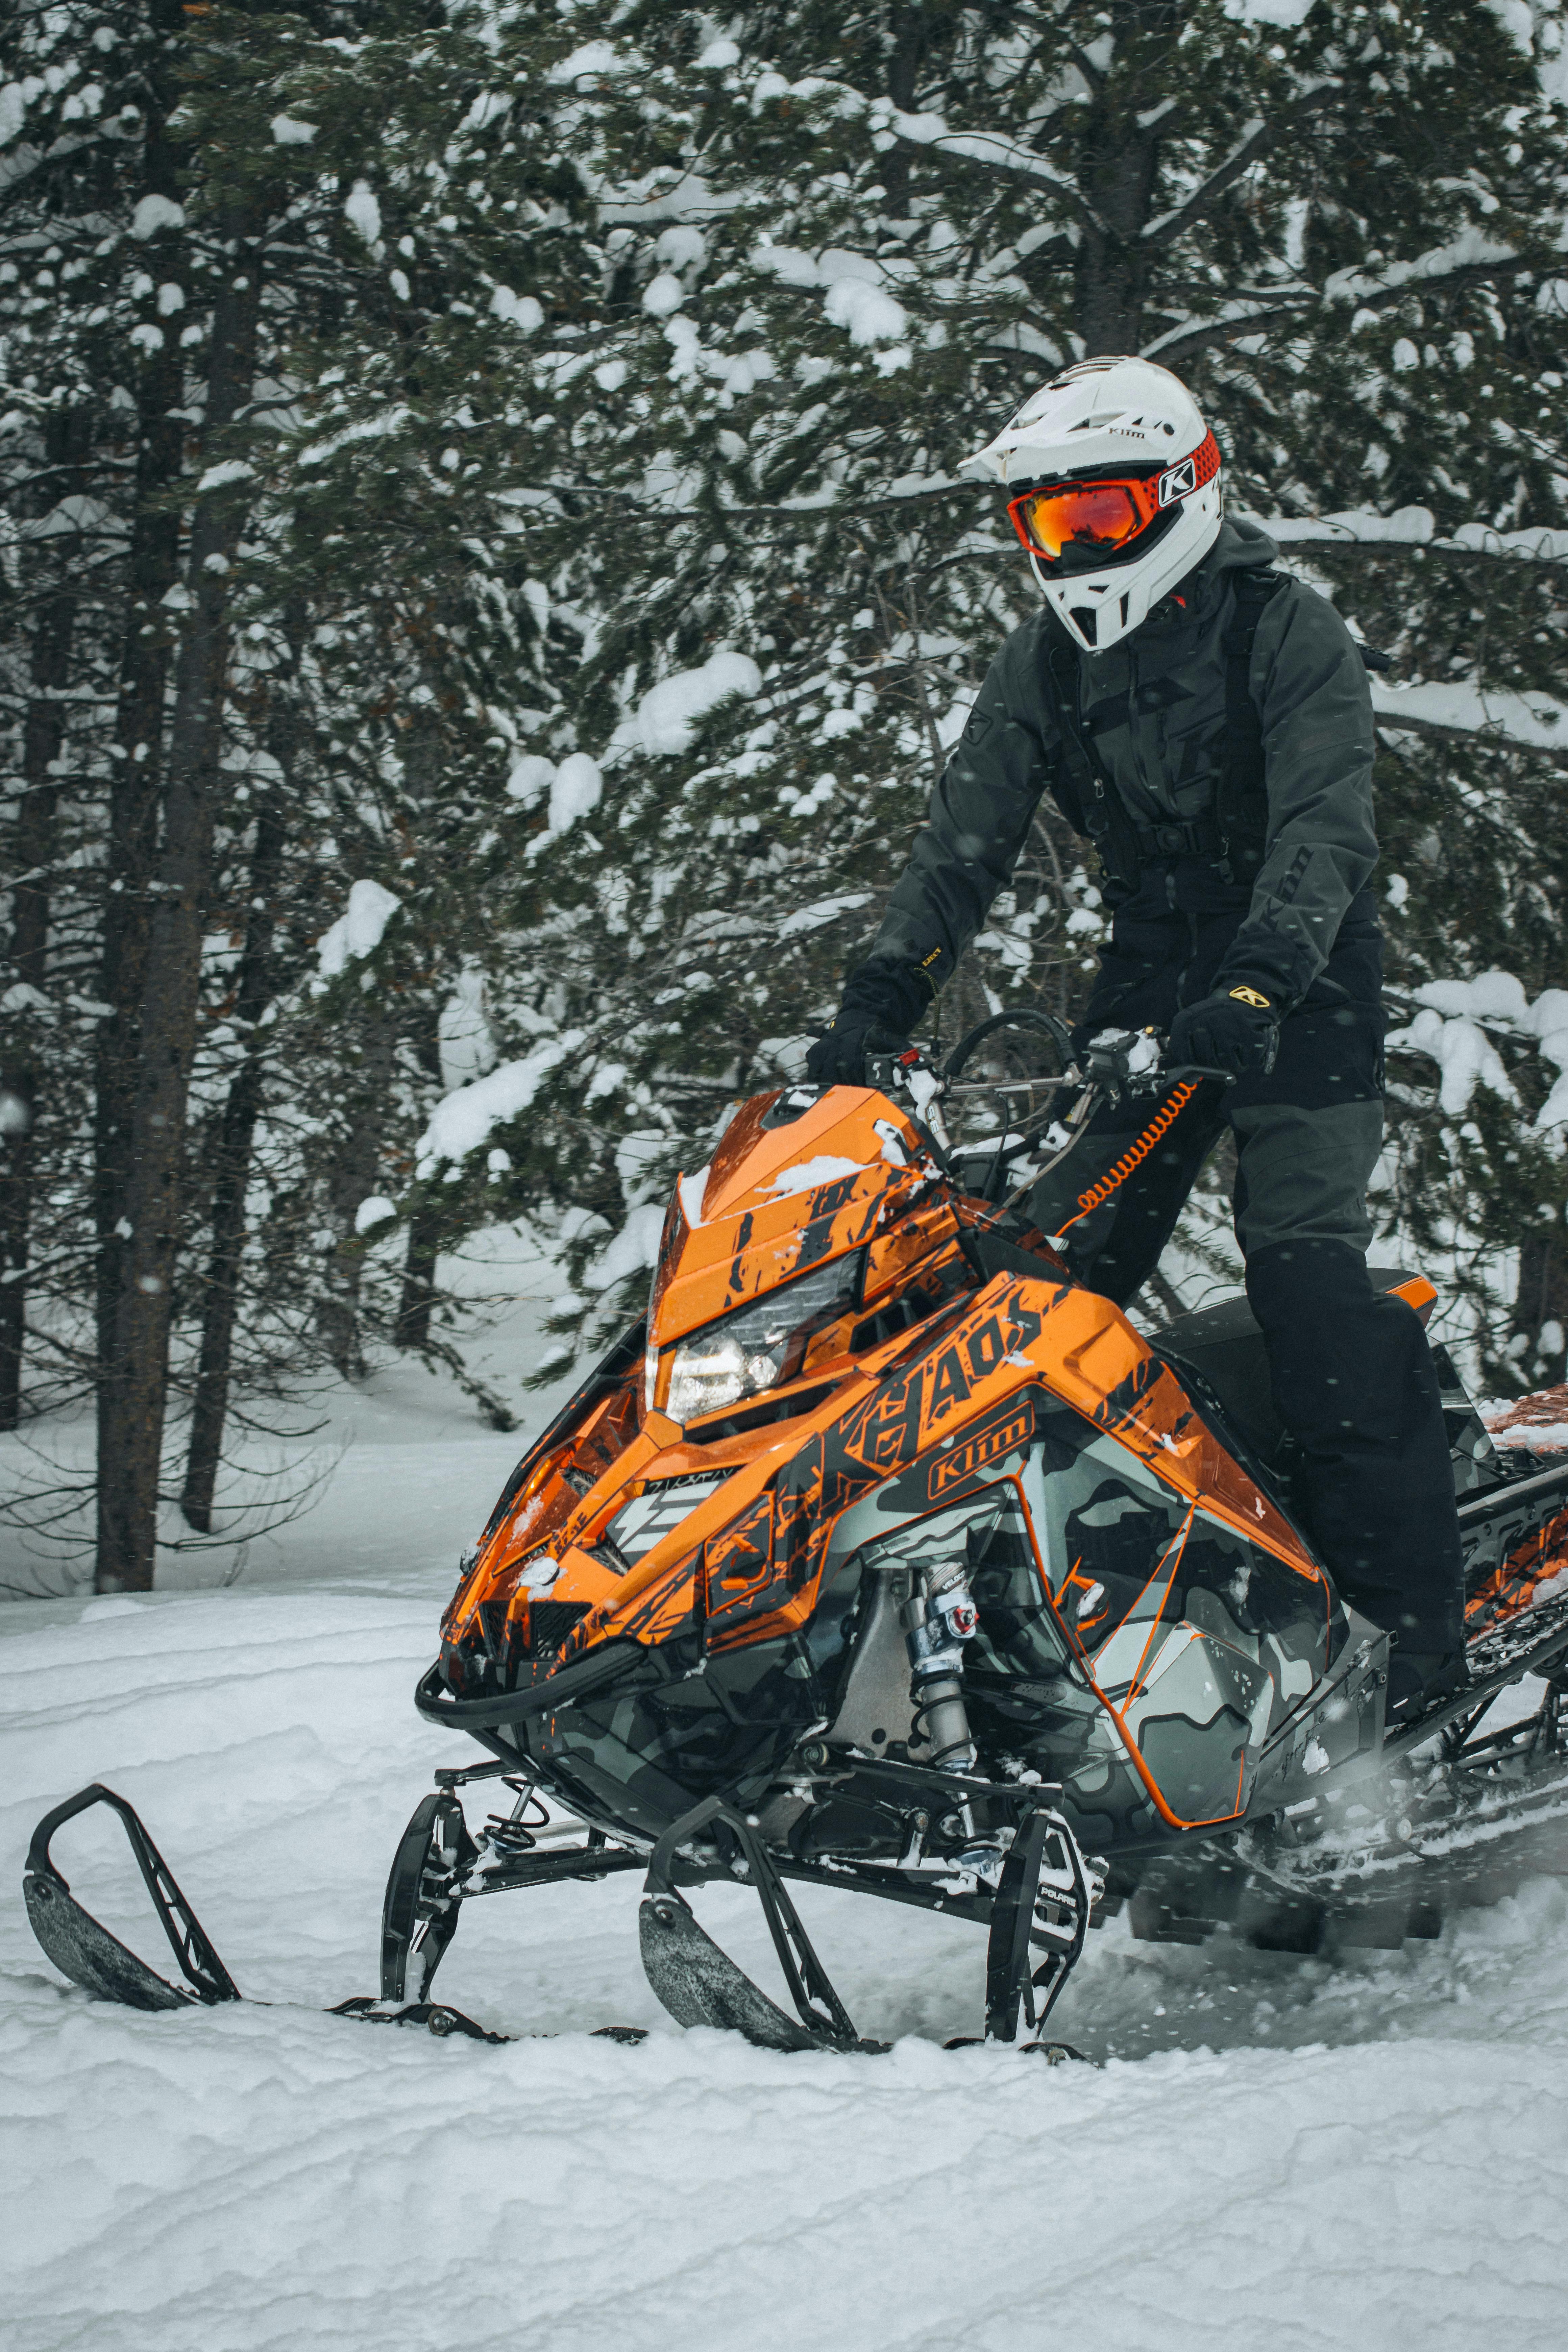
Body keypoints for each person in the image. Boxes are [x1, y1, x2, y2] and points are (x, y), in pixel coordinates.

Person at [804, 354, 1465, 1719]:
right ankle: (1051, 1656)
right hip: (1146, 1005)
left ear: (1181, 496)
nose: (1068, 550)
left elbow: (1323, 833)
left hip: (1298, 997)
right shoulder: (1049, 658)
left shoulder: (1282, 630)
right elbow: (960, 846)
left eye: (1094, 517)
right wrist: (874, 1002)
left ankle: (1411, 1673)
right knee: (1034, 1296)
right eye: (1043, 525)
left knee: (1310, 1302)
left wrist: (1255, 989)